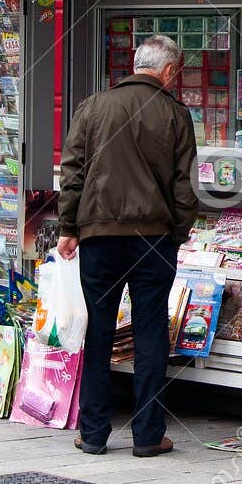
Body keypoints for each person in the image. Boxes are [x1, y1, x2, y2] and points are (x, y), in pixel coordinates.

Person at [57, 34, 196, 458]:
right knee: (151, 334)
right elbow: (185, 187)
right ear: (169, 71)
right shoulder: (175, 114)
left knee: (99, 330)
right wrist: (177, 233)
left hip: (99, 238)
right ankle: (148, 435)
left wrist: (68, 226)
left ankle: (94, 432)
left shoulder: (92, 107)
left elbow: (72, 171)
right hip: (153, 240)